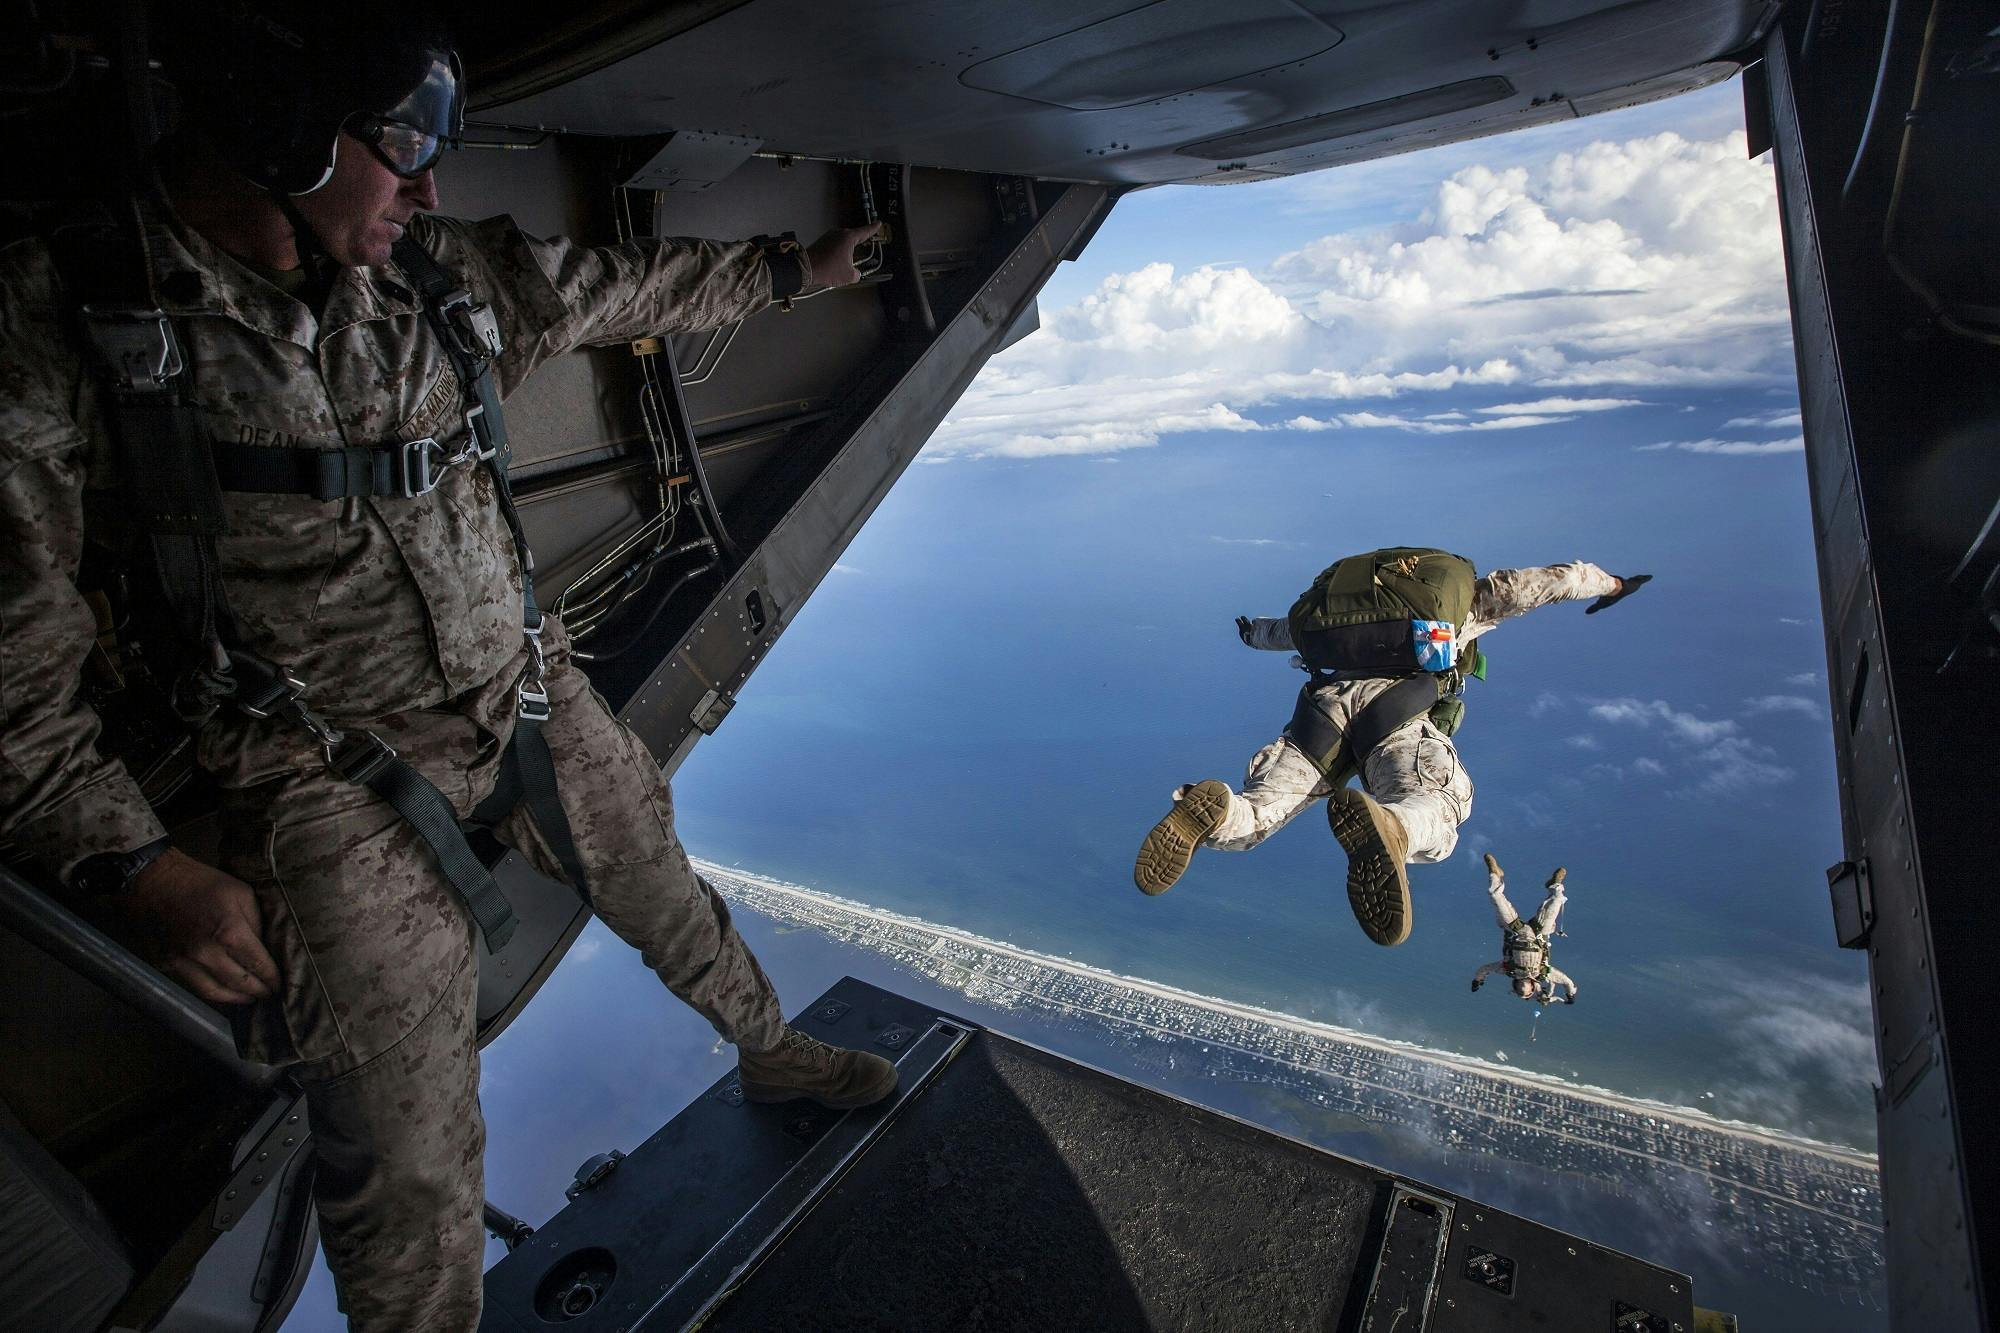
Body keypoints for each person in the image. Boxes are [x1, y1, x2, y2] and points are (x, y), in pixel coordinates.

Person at [0, 8, 891, 1327]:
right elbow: (16, 664)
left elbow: (615, 287)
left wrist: (792, 271)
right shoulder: (67, 320)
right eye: (405, 144)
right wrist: (137, 863)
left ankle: (772, 1055)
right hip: (311, 771)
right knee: (408, 1153)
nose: (428, 186)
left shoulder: (439, 276)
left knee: (657, 878)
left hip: (520, 687)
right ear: (283, 138)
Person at [1133, 552, 1649, 945]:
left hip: (1322, 709)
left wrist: (1250, 635)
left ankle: (1222, 809)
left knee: (1256, 821)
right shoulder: (1468, 601)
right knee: (1440, 811)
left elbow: (1278, 633)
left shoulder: (1336, 618)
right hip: (1396, 708)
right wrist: (1613, 584)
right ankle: (1397, 829)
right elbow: (1555, 582)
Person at [1471, 854, 1578, 1004]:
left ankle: (1495, 873)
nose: (1522, 989)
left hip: (1515, 930)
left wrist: (1477, 981)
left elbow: (1484, 969)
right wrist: (1571, 995)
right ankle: (1555, 884)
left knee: (1495, 895)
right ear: (1533, 988)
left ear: (1514, 986)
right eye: (1526, 992)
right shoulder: (1544, 973)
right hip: (1539, 932)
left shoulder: (1506, 968)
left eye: (1519, 991)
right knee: (1557, 900)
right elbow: (1566, 981)